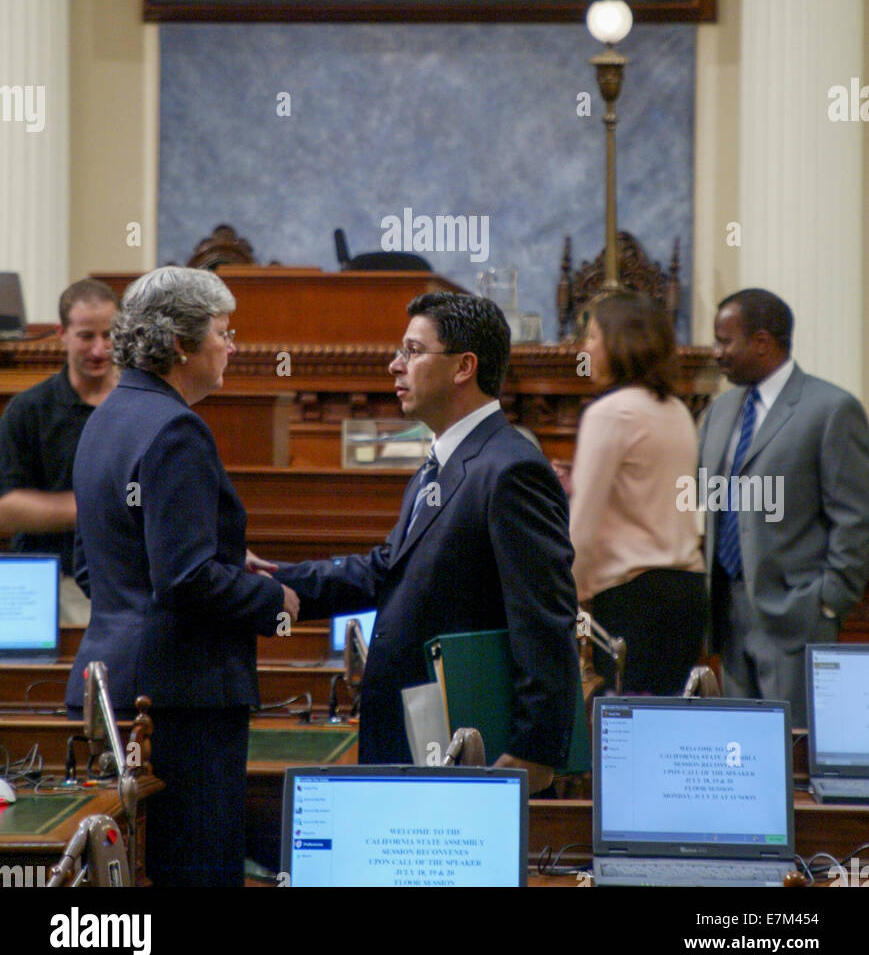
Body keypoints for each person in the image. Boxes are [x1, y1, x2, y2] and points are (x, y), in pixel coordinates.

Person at [278, 292, 578, 793]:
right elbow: (388, 569)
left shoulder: (511, 469)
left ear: (464, 366)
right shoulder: (438, 465)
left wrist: (535, 748)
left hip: (468, 741)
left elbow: (544, 617)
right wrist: (276, 581)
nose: (395, 365)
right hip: (415, 733)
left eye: (413, 351)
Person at [65, 266, 298, 887]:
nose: (233, 345)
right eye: (223, 331)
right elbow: (186, 581)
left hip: (114, 687)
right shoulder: (176, 429)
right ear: (180, 344)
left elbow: (97, 561)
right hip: (179, 701)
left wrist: (218, 562)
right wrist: (271, 596)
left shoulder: (107, 417)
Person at [700, 287, 869, 727]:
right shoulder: (720, 411)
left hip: (797, 618)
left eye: (725, 341)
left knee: (796, 760)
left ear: (761, 341)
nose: (716, 352)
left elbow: (855, 518)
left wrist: (828, 604)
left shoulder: (831, 409)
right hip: (728, 617)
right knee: (743, 757)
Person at [565, 290, 705, 694]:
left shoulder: (609, 412)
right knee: (666, 725)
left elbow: (583, 524)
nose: (584, 348)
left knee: (629, 730)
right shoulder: (676, 409)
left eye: (593, 337)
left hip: (634, 596)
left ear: (619, 343)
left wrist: (565, 601)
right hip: (687, 591)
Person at [0, 278, 118, 624]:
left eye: (109, 335)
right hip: (50, 581)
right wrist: (100, 509)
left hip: (124, 581)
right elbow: (5, 509)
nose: (99, 350)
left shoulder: (140, 403)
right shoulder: (29, 409)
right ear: (61, 333)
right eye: (86, 336)